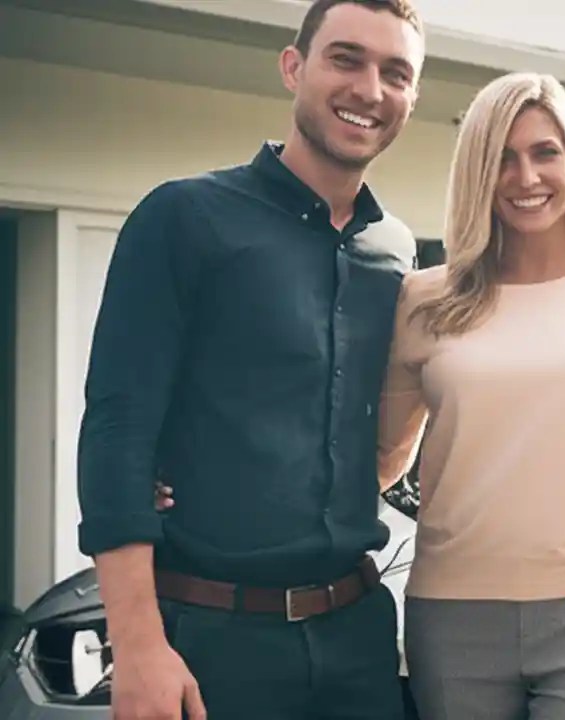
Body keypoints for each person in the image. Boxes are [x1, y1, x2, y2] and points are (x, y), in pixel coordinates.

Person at [76, 1, 426, 718]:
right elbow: (117, 432)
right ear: (293, 67)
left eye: (396, 73)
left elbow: (374, 436)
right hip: (211, 643)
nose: (370, 89)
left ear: (411, 98)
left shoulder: (396, 253)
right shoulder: (183, 218)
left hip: (358, 635)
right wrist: (137, 645)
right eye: (346, 58)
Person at [377, 72, 565, 720]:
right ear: (477, 174)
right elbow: (377, 458)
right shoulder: (424, 300)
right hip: (452, 619)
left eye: (545, 152)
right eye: (502, 159)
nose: (525, 177)